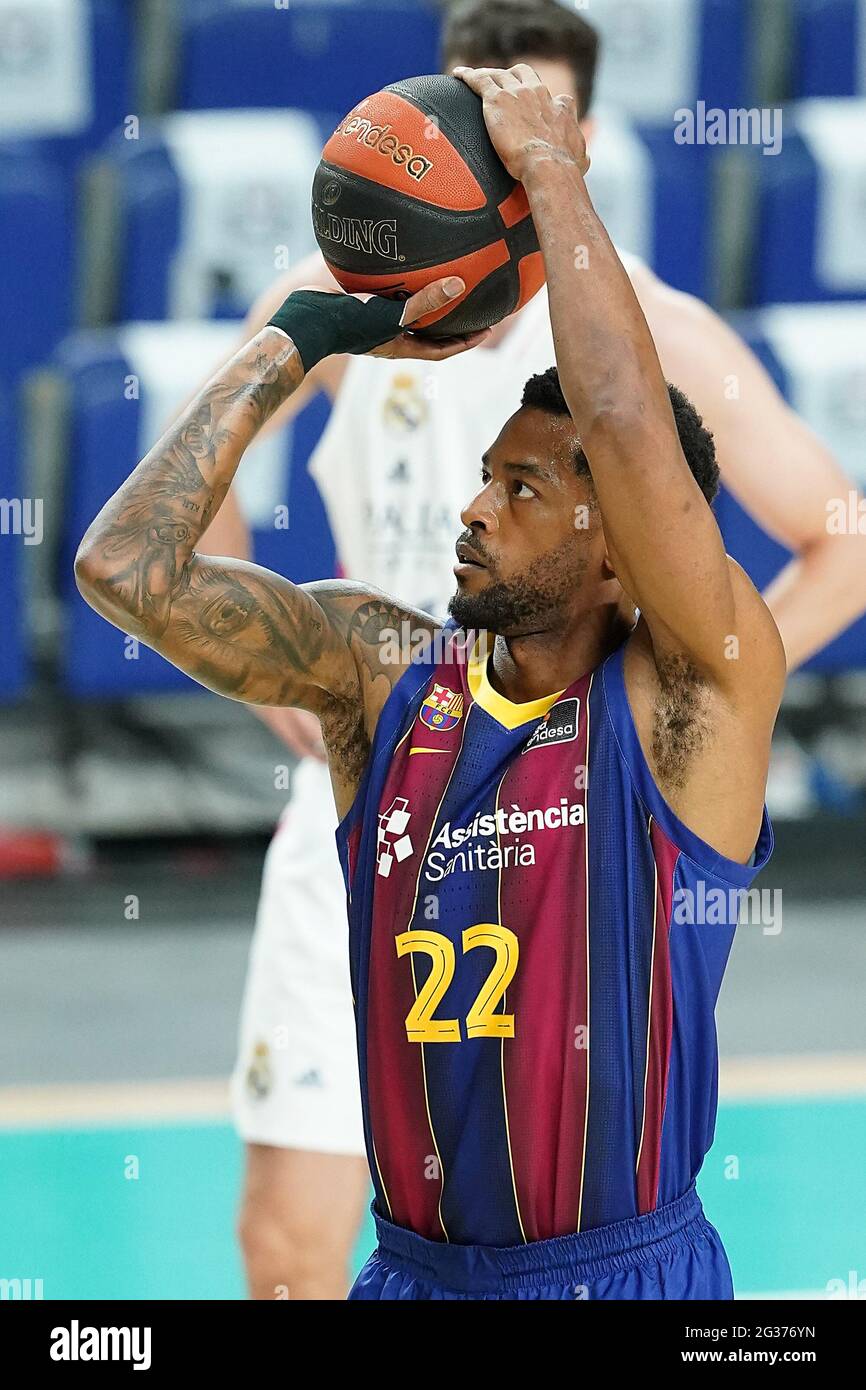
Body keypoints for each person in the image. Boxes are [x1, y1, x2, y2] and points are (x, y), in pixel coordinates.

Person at [76, 63, 786, 1300]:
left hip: (619, 1276)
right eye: (481, 475)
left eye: (521, 490)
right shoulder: (380, 674)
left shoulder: (691, 699)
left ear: (619, 543)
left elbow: (623, 420)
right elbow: (123, 568)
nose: (471, 510)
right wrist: (301, 336)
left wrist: (553, 178)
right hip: (411, 1276)